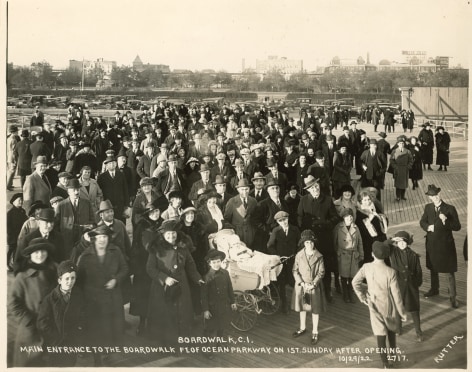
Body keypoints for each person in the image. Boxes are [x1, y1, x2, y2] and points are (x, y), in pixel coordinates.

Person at [146, 220, 204, 349]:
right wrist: (164, 278)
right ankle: (166, 343)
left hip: (181, 285)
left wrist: (197, 278)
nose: (171, 237)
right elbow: (150, 269)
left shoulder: (183, 247)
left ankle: (180, 340)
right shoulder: (156, 249)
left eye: (173, 234)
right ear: (163, 235)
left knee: (182, 312)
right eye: (168, 235)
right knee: (166, 314)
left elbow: (190, 265)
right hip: (163, 288)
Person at [76, 224, 128, 367]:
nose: (102, 240)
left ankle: (107, 352)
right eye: (99, 237)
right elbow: (79, 280)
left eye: (105, 237)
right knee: (95, 329)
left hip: (112, 297)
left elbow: (124, 268)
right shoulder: (85, 256)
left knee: (111, 327)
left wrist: (115, 280)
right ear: (94, 239)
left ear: (108, 238)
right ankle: (97, 359)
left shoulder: (115, 251)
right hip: (93, 300)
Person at [352, 241, 408, 369]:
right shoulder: (391, 272)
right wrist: (402, 313)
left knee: (380, 335)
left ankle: (385, 363)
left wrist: (362, 297)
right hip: (388, 306)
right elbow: (397, 296)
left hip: (373, 305)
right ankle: (393, 356)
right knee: (391, 331)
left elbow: (355, 282)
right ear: (387, 256)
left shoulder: (366, 267)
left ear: (372, 254)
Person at [9, 238, 57, 366]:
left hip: (52, 327)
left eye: (43, 251)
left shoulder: (56, 270)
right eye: (36, 252)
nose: (40, 254)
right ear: (30, 254)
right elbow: (14, 304)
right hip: (31, 331)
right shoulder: (22, 276)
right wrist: (29, 321)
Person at [297, 175, 340, 302]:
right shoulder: (304, 200)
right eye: (312, 187)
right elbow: (299, 217)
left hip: (324, 239)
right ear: (308, 190)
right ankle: (311, 293)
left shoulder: (327, 199)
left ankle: (327, 291)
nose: (315, 188)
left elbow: (335, 217)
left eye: (316, 185)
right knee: (309, 267)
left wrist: (325, 224)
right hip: (310, 240)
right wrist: (305, 230)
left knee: (325, 266)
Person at [36, 260, 86, 367]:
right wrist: (54, 338)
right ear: (59, 280)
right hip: (56, 343)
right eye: (66, 278)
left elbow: (83, 313)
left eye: (73, 278)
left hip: (72, 342)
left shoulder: (78, 294)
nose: (70, 281)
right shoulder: (50, 299)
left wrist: (78, 332)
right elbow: (42, 323)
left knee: (70, 364)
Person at [420, 184, 461, 308]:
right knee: (433, 267)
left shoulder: (450, 209)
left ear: (440, 194)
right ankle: (434, 289)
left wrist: (446, 220)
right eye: (432, 196)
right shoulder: (428, 208)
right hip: (432, 243)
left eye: (436, 194)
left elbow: (457, 227)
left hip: (445, 245)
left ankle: (453, 297)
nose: (435, 197)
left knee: (449, 271)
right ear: (429, 198)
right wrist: (428, 227)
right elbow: (422, 222)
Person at [129, 199, 166, 336]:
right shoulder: (142, 226)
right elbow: (136, 246)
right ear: (148, 213)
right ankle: (142, 323)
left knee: (158, 294)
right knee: (143, 295)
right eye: (152, 211)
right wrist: (137, 266)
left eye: (157, 211)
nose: (156, 214)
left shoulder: (163, 223)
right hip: (144, 265)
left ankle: (156, 323)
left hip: (160, 264)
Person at [291, 230, 326, 345]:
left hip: (313, 287)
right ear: (303, 244)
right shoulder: (299, 255)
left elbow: (321, 272)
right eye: (306, 243)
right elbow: (295, 270)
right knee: (303, 307)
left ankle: (315, 331)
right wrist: (301, 283)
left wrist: (314, 284)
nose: (309, 245)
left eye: (311, 242)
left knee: (315, 310)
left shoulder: (319, 256)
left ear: (314, 243)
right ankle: (302, 327)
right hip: (302, 286)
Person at [387, 231, 423, 342]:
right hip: (398, 285)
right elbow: (384, 245)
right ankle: (398, 329)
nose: (402, 244)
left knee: (414, 310)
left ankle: (419, 332)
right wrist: (392, 240)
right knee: (398, 308)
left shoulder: (413, 255)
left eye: (404, 241)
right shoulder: (393, 252)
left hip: (411, 287)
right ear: (396, 243)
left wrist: (416, 283)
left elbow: (418, 271)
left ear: (408, 242)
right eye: (399, 242)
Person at [201, 250, 236, 359]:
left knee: (222, 326)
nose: (217, 264)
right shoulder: (207, 278)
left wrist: (233, 301)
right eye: (214, 262)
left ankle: (218, 344)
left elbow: (230, 288)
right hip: (212, 308)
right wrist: (206, 310)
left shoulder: (225, 273)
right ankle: (207, 350)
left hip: (224, 306)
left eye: (218, 261)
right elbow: (203, 296)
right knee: (210, 329)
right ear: (209, 264)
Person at [267, 211, 301, 313]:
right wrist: (278, 256)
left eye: (285, 219)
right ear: (278, 222)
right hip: (281, 261)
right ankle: (284, 304)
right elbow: (270, 246)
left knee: (294, 280)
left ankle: (298, 301)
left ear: (288, 219)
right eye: (281, 221)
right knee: (281, 283)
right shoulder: (276, 231)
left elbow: (300, 243)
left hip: (293, 260)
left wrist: (297, 254)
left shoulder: (295, 230)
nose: (284, 222)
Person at [55, 178, 96, 259]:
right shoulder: (61, 205)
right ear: (68, 191)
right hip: (67, 241)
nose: (76, 192)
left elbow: (93, 221)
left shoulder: (87, 203)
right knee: (69, 260)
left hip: (83, 239)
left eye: (78, 189)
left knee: (82, 260)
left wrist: (89, 228)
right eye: (73, 190)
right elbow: (56, 225)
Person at [333, 208, 364, 303]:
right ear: (343, 217)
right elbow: (334, 242)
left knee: (352, 276)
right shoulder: (338, 228)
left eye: (351, 216)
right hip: (343, 255)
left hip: (353, 255)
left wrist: (361, 254)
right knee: (343, 276)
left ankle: (350, 293)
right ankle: (345, 294)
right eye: (347, 216)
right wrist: (337, 253)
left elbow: (360, 242)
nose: (349, 218)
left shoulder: (356, 227)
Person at [356, 191, 387, 265]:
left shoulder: (374, 207)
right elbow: (361, 229)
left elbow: (383, 217)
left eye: (368, 199)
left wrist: (381, 217)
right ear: (361, 202)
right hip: (369, 242)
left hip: (381, 238)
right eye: (365, 200)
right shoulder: (360, 213)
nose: (368, 202)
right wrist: (370, 219)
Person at [224, 178, 258, 247]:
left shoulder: (253, 201)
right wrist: (233, 230)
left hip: (251, 233)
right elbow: (226, 219)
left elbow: (256, 218)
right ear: (238, 189)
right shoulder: (232, 201)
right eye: (242, 189)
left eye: (246, 189)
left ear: (249, 189)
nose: (245, 192)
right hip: (238, 233)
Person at [97, 155, 129, 224]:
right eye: (110, 163)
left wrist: (126, 205)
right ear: (106, 165)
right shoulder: (101, 177)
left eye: (114, 163)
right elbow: (99, 193)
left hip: (120, 205)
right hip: (108, 206)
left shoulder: (121, 175)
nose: (112, 165)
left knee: (121, 224)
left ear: (116, 164)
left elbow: (125, 190)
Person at [389, 136, 413, 202]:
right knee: (398, 184)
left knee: (404, 184)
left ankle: (402, 196)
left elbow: (411, 160)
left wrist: (408, 166)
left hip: (405, 169)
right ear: (397, 144)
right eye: (400, 143)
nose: (401, 145)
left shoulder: (407, 151)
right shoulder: (394, 151)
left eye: (402, 143)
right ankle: (398, 197)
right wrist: (395, 166)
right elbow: (391, 160)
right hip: (397, 169)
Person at [7, 193, 28, 271]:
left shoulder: (22, 211)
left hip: (20, 234)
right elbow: (7, 225)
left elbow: (26, 220)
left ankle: (16, 264)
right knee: (12, 249)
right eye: (19, 200)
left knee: (17, 250)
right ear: (13, 202)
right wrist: (11, 233)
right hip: (13, 235)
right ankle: (6, 263)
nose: (21, 201)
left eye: (22, 200)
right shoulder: (10, 213)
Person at [7, 125, 20, 191]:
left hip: (9, 155)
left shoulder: (8, 138)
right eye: (17, 131)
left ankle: (10, 184)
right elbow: (14, 150)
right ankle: (8, 185)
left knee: (10, 170)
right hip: (12, 156)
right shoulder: (14, 139)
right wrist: (15, 160)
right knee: (12, 171)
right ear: (14, 132)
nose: (17, 132)